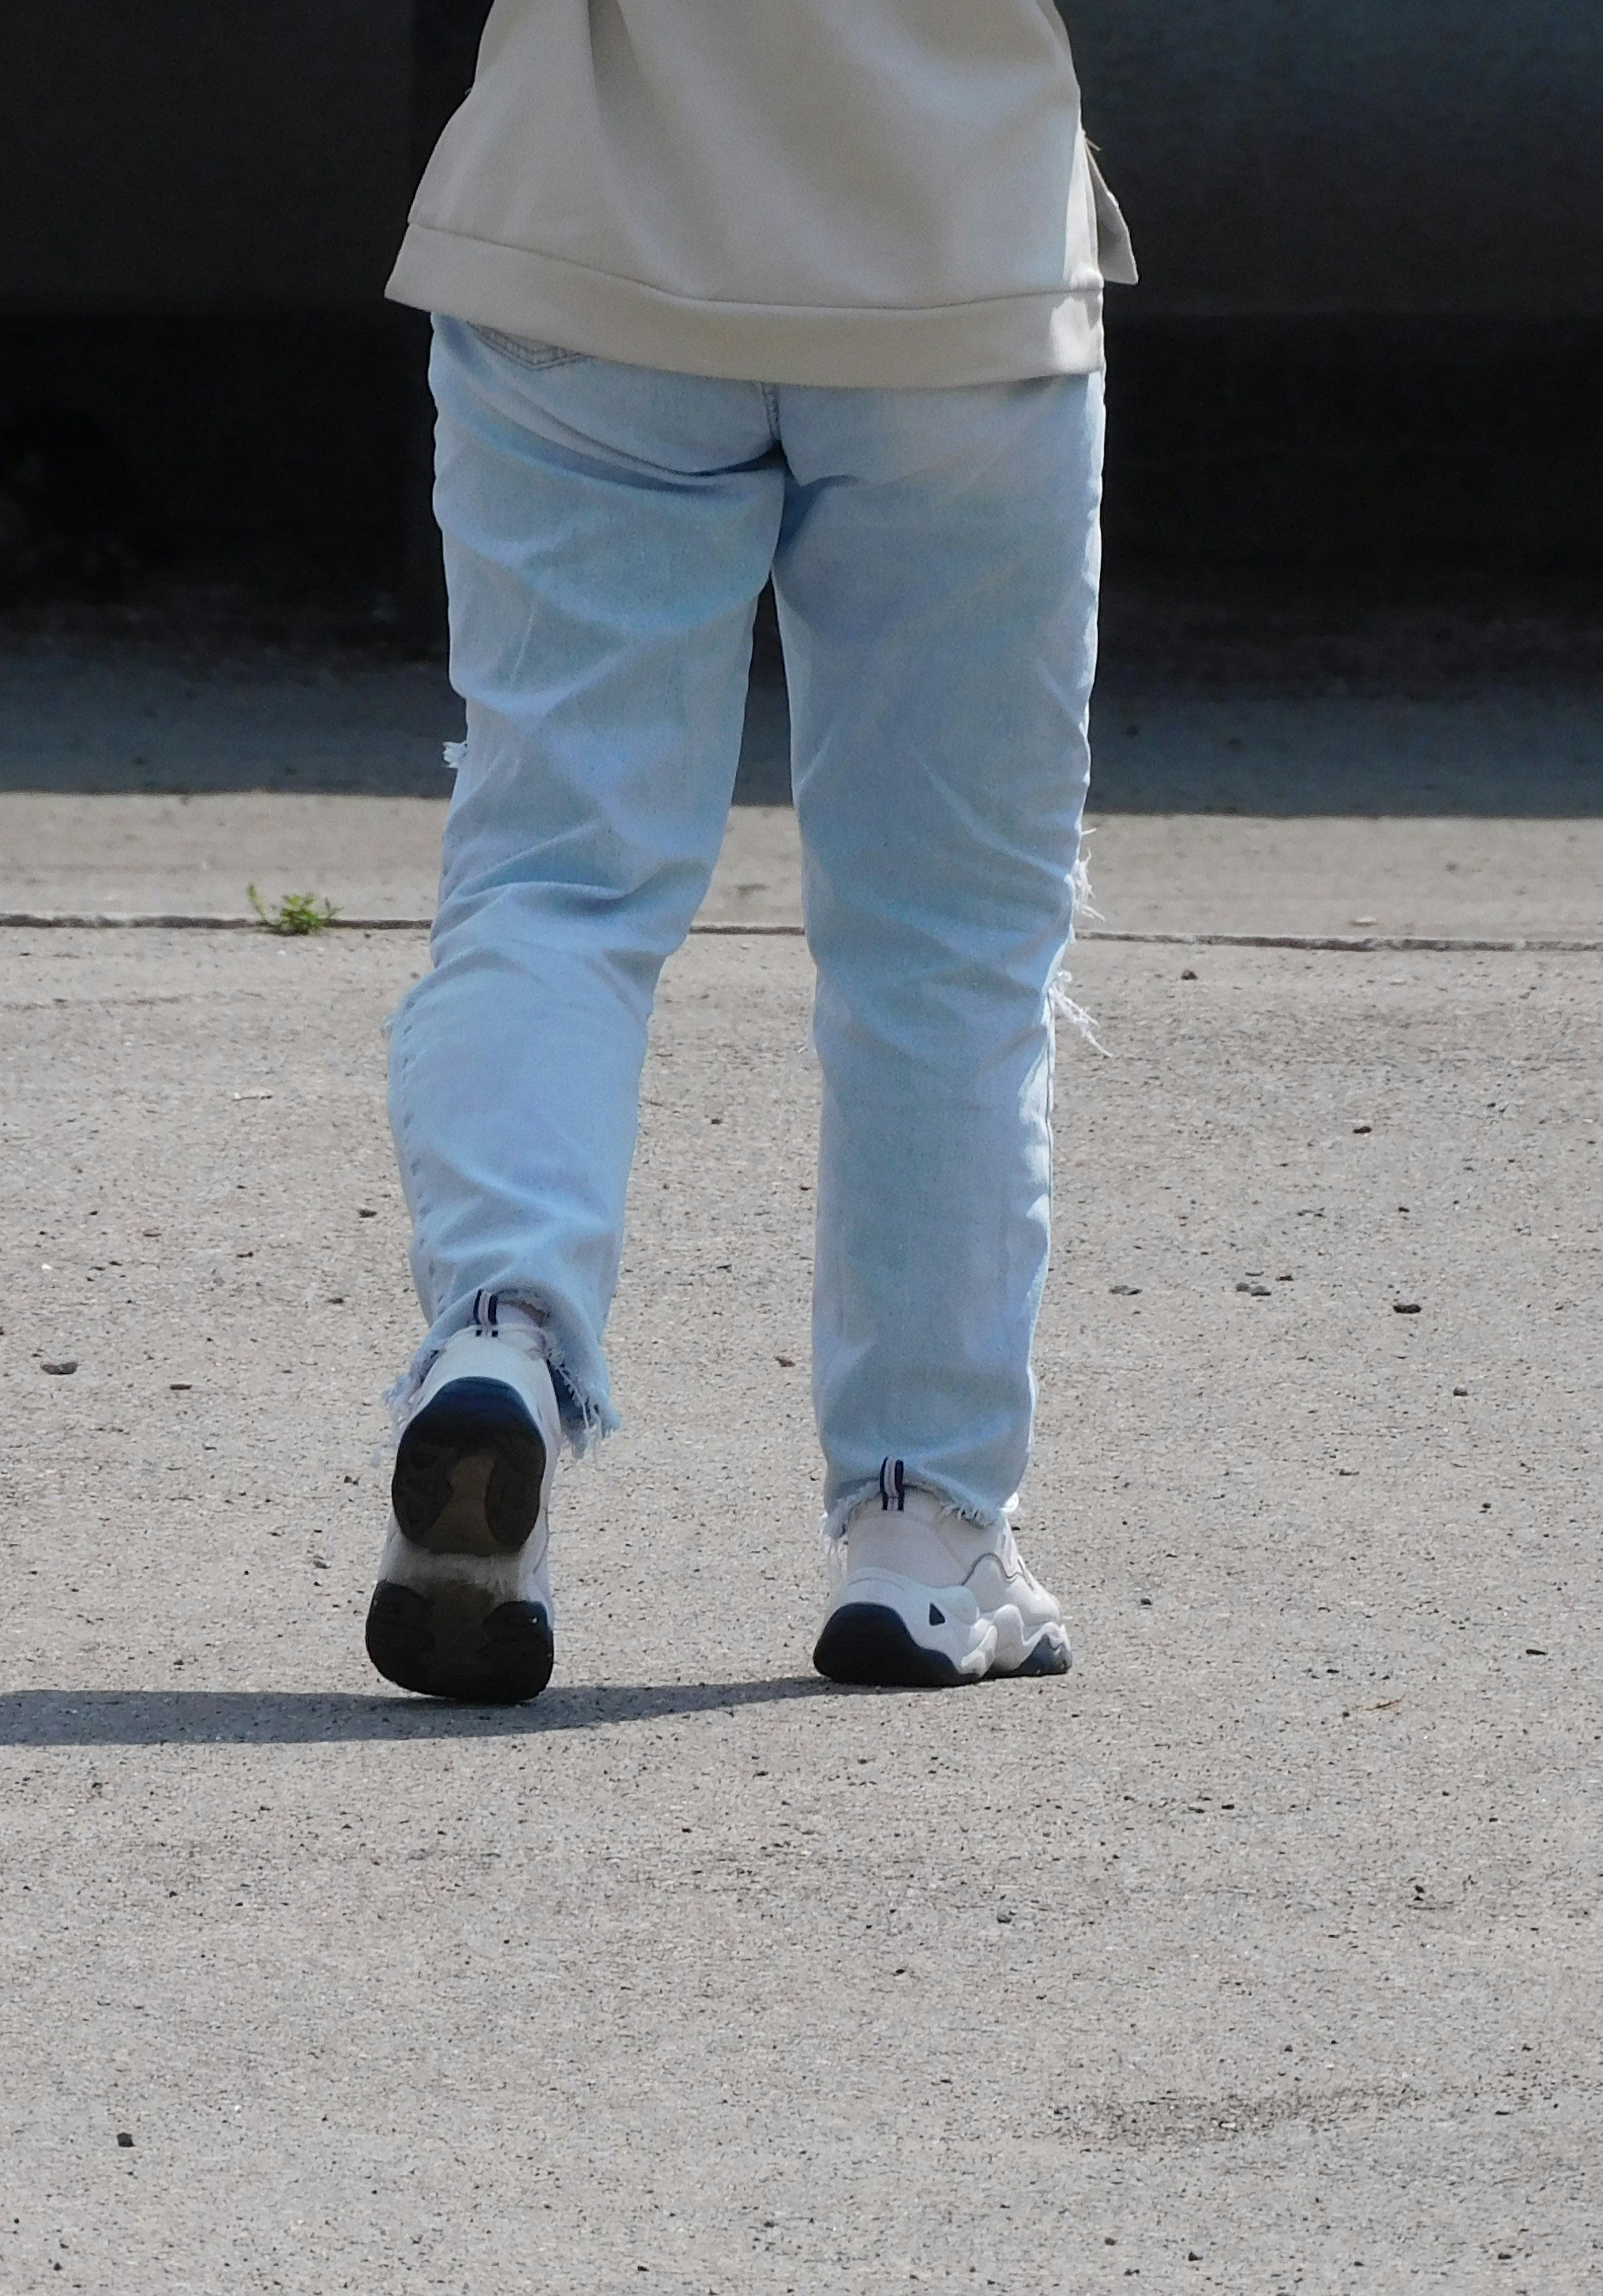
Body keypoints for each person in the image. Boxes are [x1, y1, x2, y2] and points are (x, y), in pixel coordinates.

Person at [363, 0, 1134, 1706]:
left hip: (582, 255)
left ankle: (501, 1342)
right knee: (947, 938)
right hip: (961, 266)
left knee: (555, 880)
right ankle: (925, 1534)